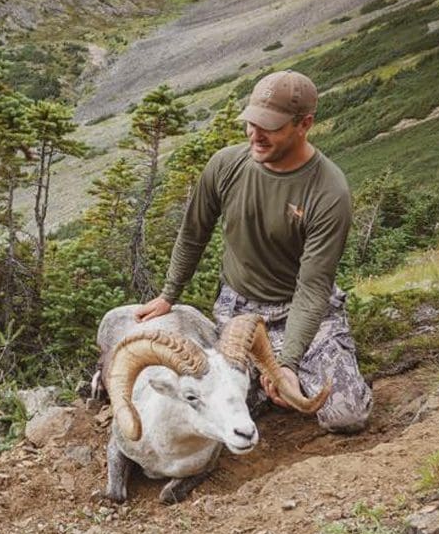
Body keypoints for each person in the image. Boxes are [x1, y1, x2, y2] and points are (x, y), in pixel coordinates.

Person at [135, 69, 372, 433]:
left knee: (346, 415)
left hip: (303, 308)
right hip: (239, 314)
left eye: (270, 127)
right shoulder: (226, 165)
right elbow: (193, 233)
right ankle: (268, 388)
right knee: (215, 410)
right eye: (251, 122)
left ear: (304, 124)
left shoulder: (328, 192)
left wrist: (287, 364)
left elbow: (313, 287)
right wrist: (169, 294)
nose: (255, 135)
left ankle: (305, 373)